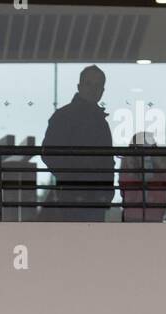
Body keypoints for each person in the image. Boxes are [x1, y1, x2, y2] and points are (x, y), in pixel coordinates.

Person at [41, 64, 113, 221]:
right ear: (79, 86)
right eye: (89, 84)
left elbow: (49, 154)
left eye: (97, 85)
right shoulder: (98, 121)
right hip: (81, 197)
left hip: (79, 195)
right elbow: (49, 154)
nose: (93, 89)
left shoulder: (64, 116)